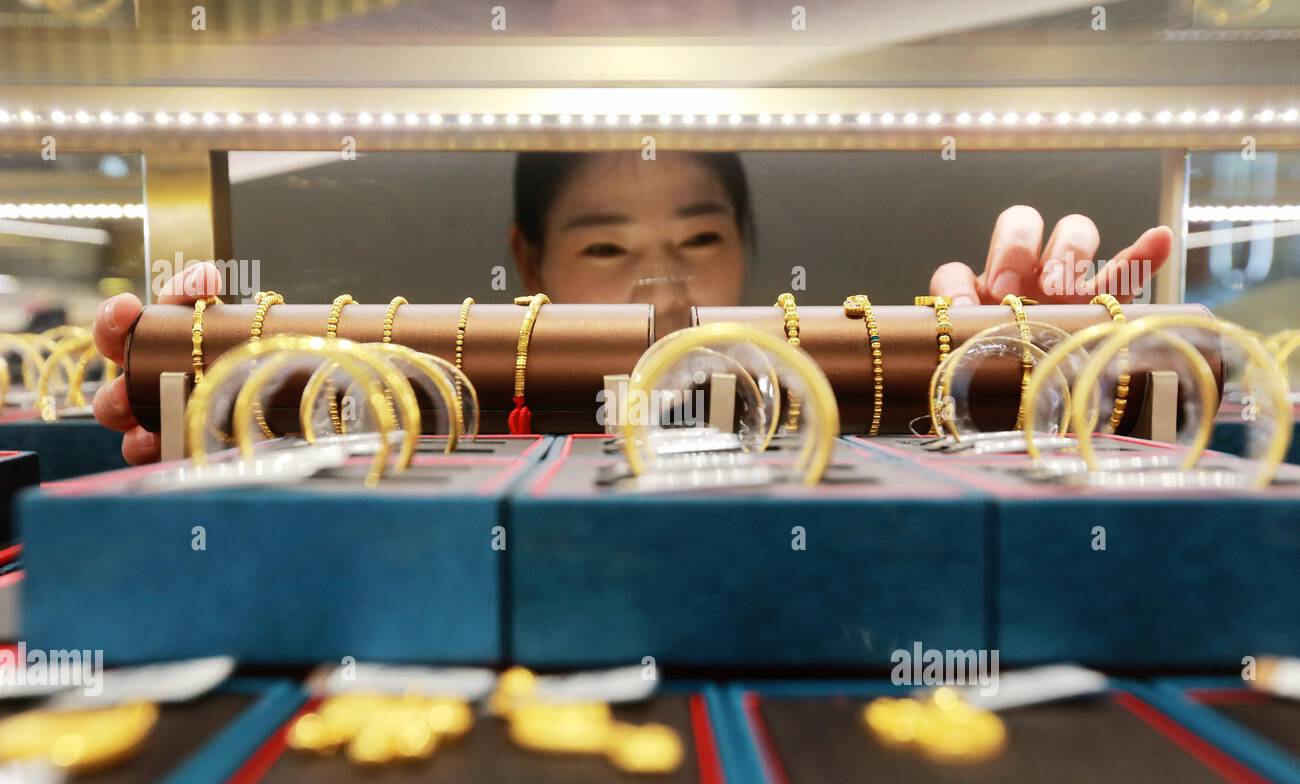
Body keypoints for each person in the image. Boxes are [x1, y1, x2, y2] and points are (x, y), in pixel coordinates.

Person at [92, 149, 1172, 464]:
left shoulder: (855, 412)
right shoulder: (422, 428)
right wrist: (216, 371)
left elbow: (1157, 412)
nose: (661, 282)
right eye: (606, 244)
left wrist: (1087, 372)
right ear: (528, 256)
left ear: (748, 244)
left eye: (698, 237)